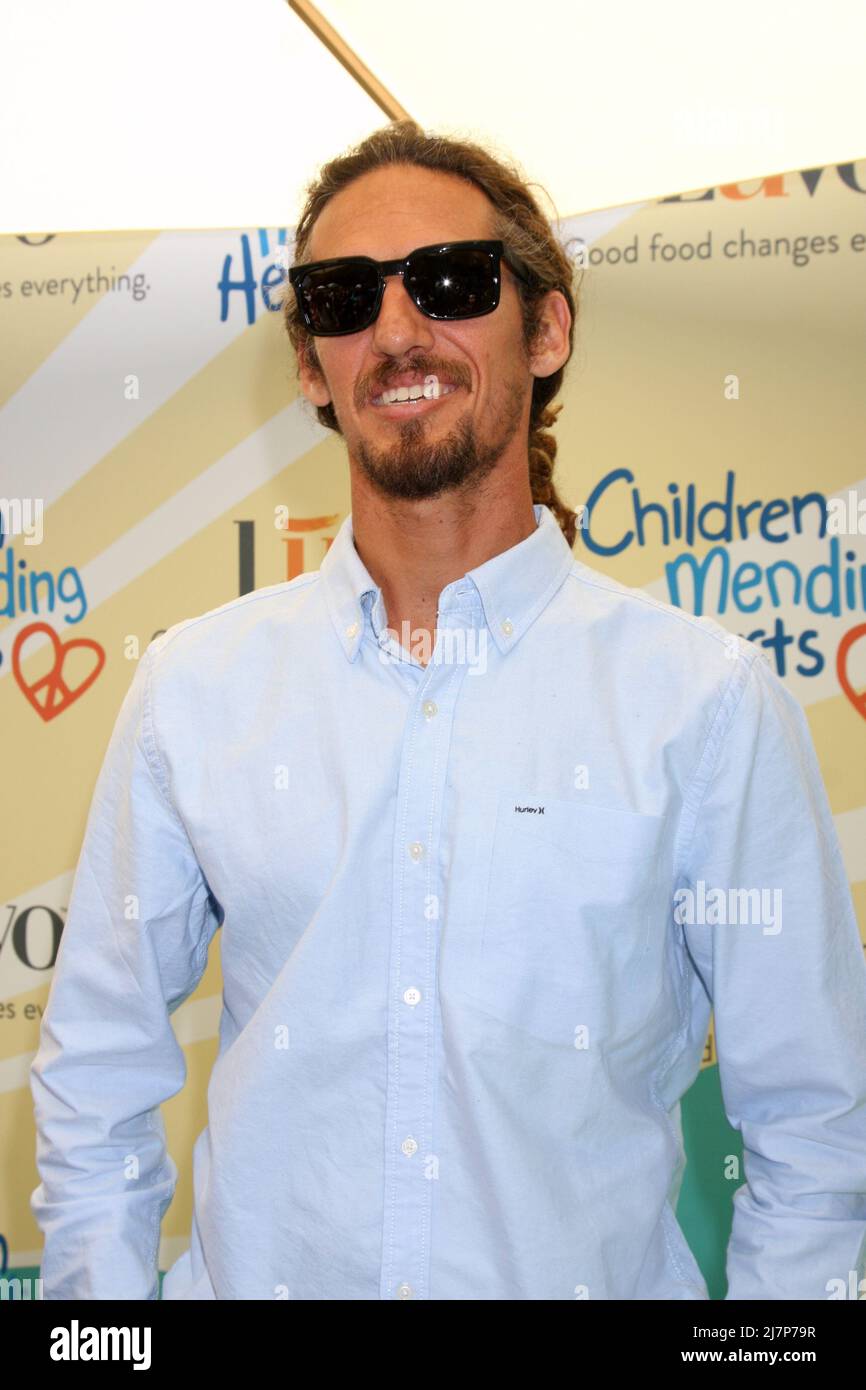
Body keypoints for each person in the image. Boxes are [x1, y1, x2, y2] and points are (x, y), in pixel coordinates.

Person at [30, 119, 866, 1301]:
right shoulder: (193, 690)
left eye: (451, 281)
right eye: (341, 296)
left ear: (547, 328)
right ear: (312, 369)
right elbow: (97, 1082)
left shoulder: (705, 708)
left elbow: (813, 1133)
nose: (396, 328)